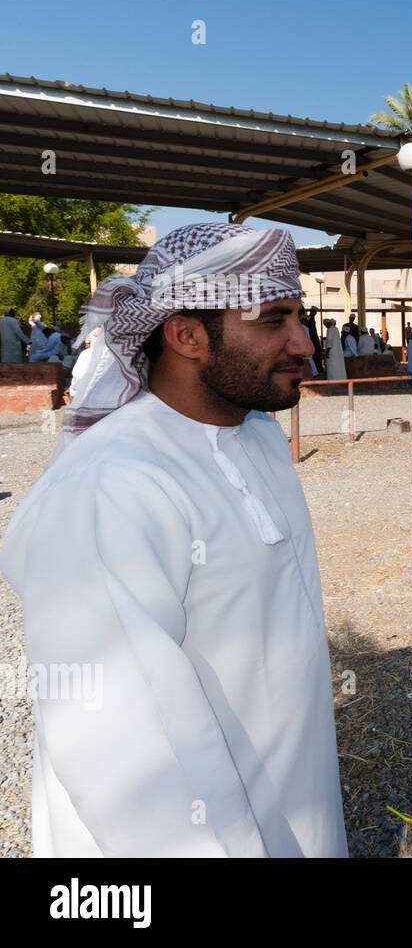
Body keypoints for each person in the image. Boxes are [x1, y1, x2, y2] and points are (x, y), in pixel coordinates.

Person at [0, 222, 348, 857]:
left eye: (301, 316)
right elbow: (121, 749)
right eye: (274, 319)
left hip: (294, 801)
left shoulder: (261, 438)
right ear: (186, 335)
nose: (304, 341)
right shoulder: (111, 485)